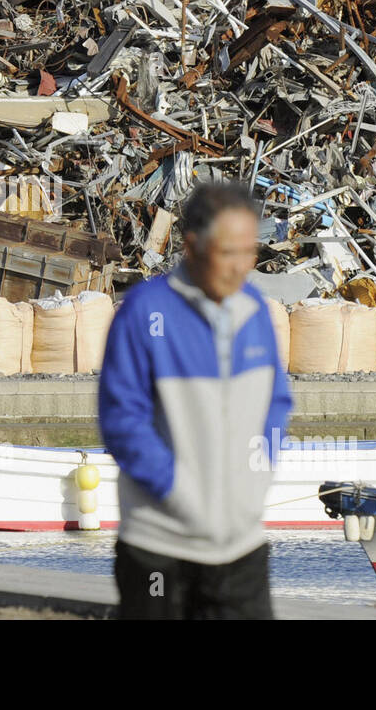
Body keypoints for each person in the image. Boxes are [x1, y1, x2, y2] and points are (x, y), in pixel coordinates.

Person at [98, 181, 291, 619]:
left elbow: (276, 406)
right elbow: (122, 422)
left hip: (241, 548)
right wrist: (181, 494)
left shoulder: (256, 312)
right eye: (228, 253)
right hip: (160, 549)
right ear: (191, 246)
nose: (242, 267)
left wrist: (256, 482)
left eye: (250, 252)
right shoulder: (146, 313)